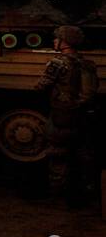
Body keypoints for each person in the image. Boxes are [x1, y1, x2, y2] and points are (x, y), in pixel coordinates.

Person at [35, 25, 99, 207]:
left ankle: (59, 198)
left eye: (57, 39)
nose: (54, 41)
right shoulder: (88, 64)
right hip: (84, 116)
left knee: (58, 158)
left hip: (62, 116)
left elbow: (41, 87)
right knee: (83, 157)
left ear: (64, 42)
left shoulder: (57, 63)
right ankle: (87, 196)